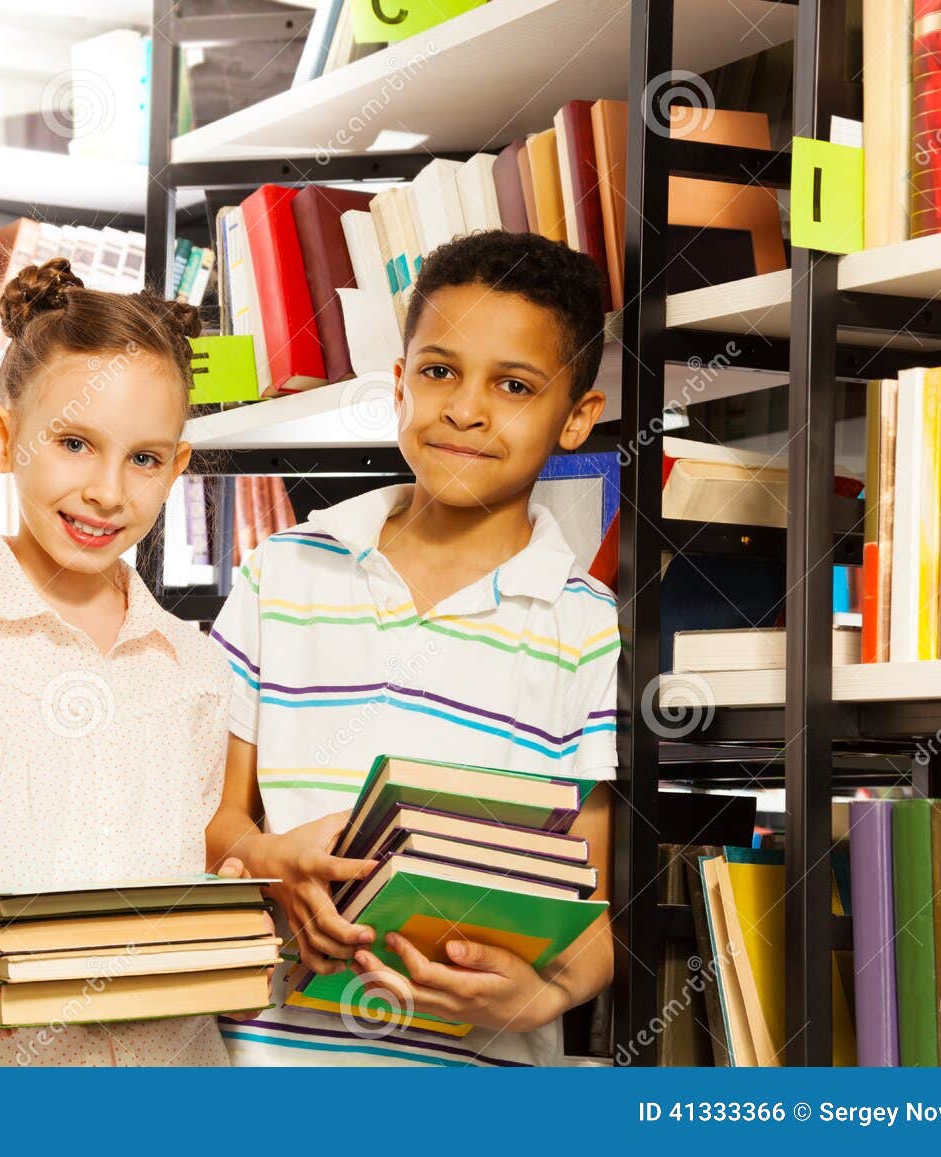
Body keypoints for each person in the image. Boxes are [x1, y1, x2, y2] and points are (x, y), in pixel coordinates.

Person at [206, 229, 619, 1067]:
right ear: (398, 384)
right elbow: (213, 823)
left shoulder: (585, 628)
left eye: (513, 385)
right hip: (262, 1073)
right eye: (439, 371)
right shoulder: (282, 573)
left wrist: (542, 993)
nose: (465, 408)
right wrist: (266, 863)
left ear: (576, 417)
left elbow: (588, 913)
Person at [0, 259, 238, 1065]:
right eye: (74, 443)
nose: (106, 490)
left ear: (176, 468)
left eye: (143, 459)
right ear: (2, 439)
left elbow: (201, 862)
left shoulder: (198, 670)